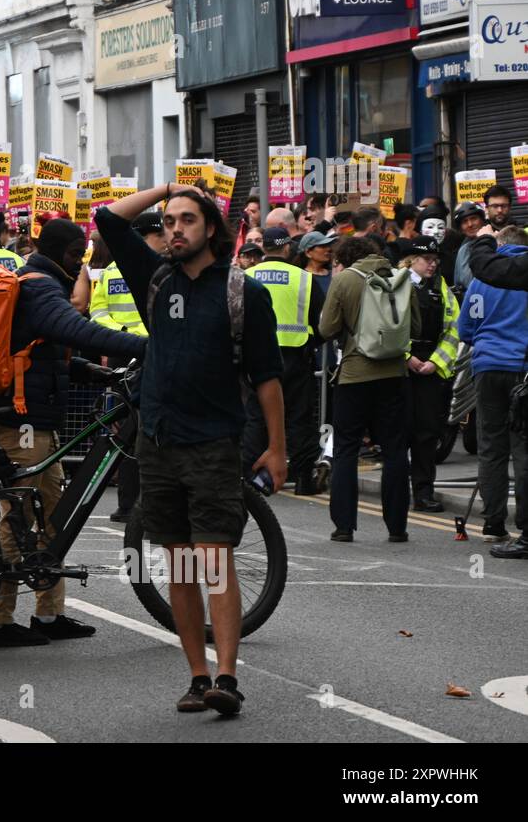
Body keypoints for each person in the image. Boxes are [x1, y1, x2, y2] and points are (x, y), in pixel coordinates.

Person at [97, 182, 285, 717]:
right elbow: (108, 220)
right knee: (177, 565)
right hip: (156, 443)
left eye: (187, 220)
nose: (175, 229)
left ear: (211, 231)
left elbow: (267, 378)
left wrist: (276, 448)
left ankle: (227, 676)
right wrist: (168, 188)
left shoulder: (243, 293)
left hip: (212, 445)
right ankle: (198, 677)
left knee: (216, 561)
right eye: (169, 220)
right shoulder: (154, 279)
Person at [0, 218, 147, 648]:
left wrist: (90, 371)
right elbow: (74, 330)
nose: (80, 262)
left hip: (38, 421)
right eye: (75, 254)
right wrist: (148, 345)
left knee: (54, 515)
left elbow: (44, 352)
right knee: (16, 517)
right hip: (21, 424)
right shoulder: (38, 284)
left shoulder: (43, 282)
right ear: (56, 251)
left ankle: (49, 614)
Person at [319, 236, 419, 542]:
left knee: (347, 449)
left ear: (346, 258)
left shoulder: (345, 280)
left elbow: (327, 329)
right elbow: (415, 327)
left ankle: (344, 527)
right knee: (395, 450)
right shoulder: (400, 278)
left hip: (354, 375)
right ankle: (397, 527)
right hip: (393, 375)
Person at [457, 225, 528, 554]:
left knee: (491, 447)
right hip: (522, 371)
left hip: (487, 368)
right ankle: (525, 527)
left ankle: (493, 523)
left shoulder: (481, 282)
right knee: (523, 450)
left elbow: (465, 330)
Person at [88, 212, 161, 524]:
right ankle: (146, 505)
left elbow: (97, 312)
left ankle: (127, 505)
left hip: (121, 352)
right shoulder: (156, 269)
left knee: (125, 432)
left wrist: (120, 334)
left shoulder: (110, 272)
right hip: (150, 352)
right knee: (148, 431)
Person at [242, 227, 325, 496]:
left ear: (263, 247)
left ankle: (248, 478)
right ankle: (303, 480)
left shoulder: (244, 276)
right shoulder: (305, 279)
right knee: (299, 419)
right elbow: (321, 323)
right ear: (287, 247)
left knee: (255, 417)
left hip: (254, 358)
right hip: (295, 357)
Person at [396, 236, 458, 514]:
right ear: (411, 260)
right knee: (399, 432)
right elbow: (388, 325)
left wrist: (434, 362)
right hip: (401, 370)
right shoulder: (396, 283)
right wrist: (407, 357)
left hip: (430, 370)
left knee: (427, 434)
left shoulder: (441, 286)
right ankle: (395, 492)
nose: (433, 265)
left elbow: (454, 328)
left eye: (436, 260)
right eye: (427, 260)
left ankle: (423, 493)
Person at [451, 201, 487, 295]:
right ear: (460, 228)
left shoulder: (497, 241)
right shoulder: (463, 250)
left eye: (473, 218)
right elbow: (459, 283)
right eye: (465, 221)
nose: (470, 224)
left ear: (482, 220)